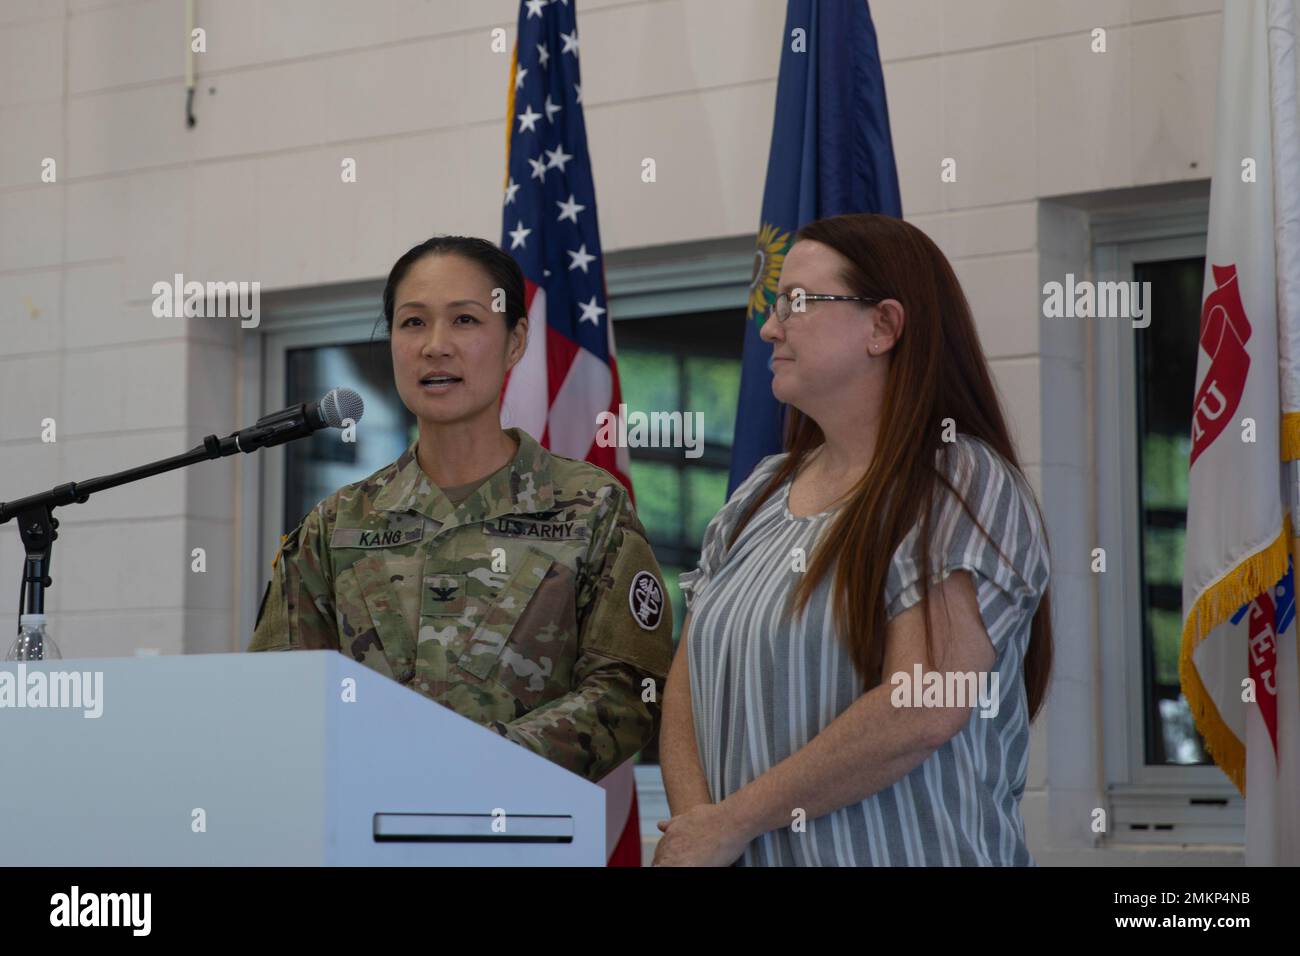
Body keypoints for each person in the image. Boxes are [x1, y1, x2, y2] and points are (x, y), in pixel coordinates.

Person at [655, 213, 1053, 866]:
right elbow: (685, 687)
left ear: (883, 327)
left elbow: (922, 707)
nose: (770, 328)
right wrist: (700, 833)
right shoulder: (757, 494)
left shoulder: (957, 481)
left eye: (798, 302)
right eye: (775, 304)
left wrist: (732, 822)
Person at [248, 236, 674, 783]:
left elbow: (629, 691)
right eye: (413, 323)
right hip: (365, 821)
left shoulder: (590, 507)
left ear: (515, 341)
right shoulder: (337, 524)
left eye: (465, 320)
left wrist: (481, 758)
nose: (435, 346)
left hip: (524, 821)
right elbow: (281, 696)